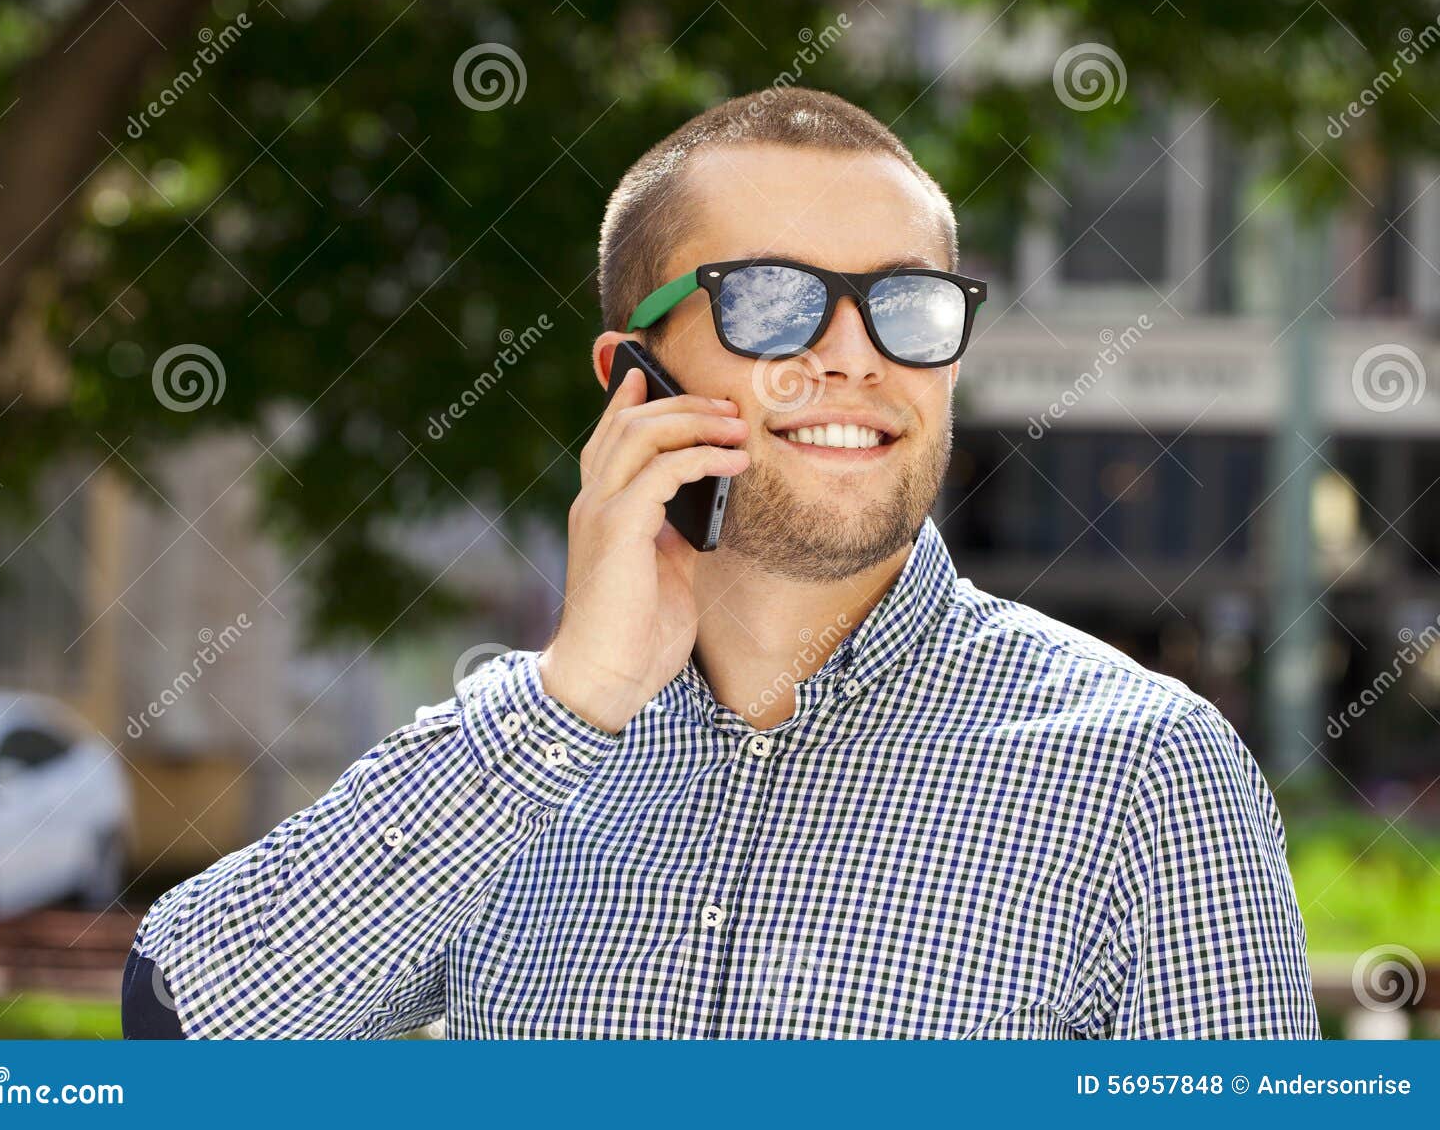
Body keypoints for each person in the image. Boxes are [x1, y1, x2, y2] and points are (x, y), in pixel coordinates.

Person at [122, 88, 1320, 1040]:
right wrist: (568, 702)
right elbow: (189, 1023)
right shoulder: (516, 751)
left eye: (905, 303)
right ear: (630, 379)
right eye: (773, 300)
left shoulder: (1145, 770)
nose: (852, 358)